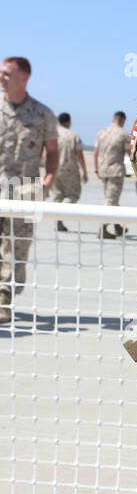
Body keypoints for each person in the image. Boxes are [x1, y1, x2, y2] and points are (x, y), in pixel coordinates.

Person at [0, 56, 58, 323]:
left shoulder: (43, 114)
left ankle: (5, 296)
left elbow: (52, 151)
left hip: (26, 192)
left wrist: (49, 179)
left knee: (18, 249)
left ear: (24, 77)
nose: (1, 78)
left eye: (6, 74)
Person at [94, 111, 129, 238]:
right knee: (111, 200)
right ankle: (103, 228)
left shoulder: (101, 133)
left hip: (103, 170)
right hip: (115, 171)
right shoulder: (123, 134)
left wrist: (97, 168)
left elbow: (96, 152)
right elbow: (130, 153)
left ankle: (117, 226)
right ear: (122, 120)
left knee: (111, 198)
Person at [52, 112, 88, 229]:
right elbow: (80, 155)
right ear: (69, 121)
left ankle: (58, 220)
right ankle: (60, 214)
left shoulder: (53, 135)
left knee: (58, 196)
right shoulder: (73, 136)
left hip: (54, 169)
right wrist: (85, 171)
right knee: (72, 195)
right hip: (70, 170)